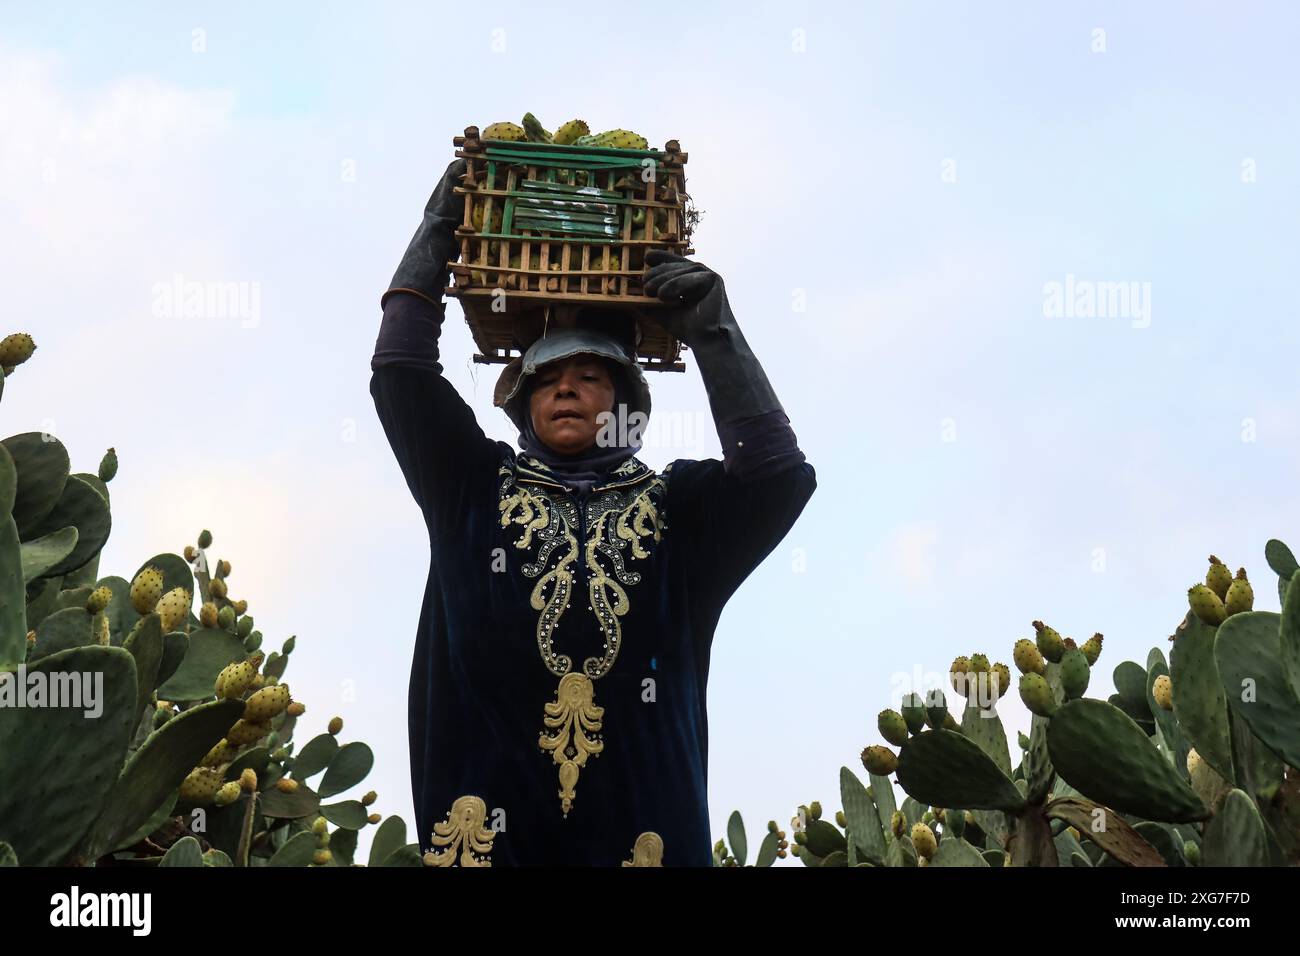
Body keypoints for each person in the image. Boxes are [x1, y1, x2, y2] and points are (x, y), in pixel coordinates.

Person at [369, 158, 816, 866]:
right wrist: (436, 236)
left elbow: (777, 477)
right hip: (489, 841)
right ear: (520, 402)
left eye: (589, 375)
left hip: (641, 841)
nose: (567, 388)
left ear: (626, 405)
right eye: (547, 377)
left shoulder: (678, 512)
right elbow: (401, 371)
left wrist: (716, 335)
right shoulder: (471, 487)